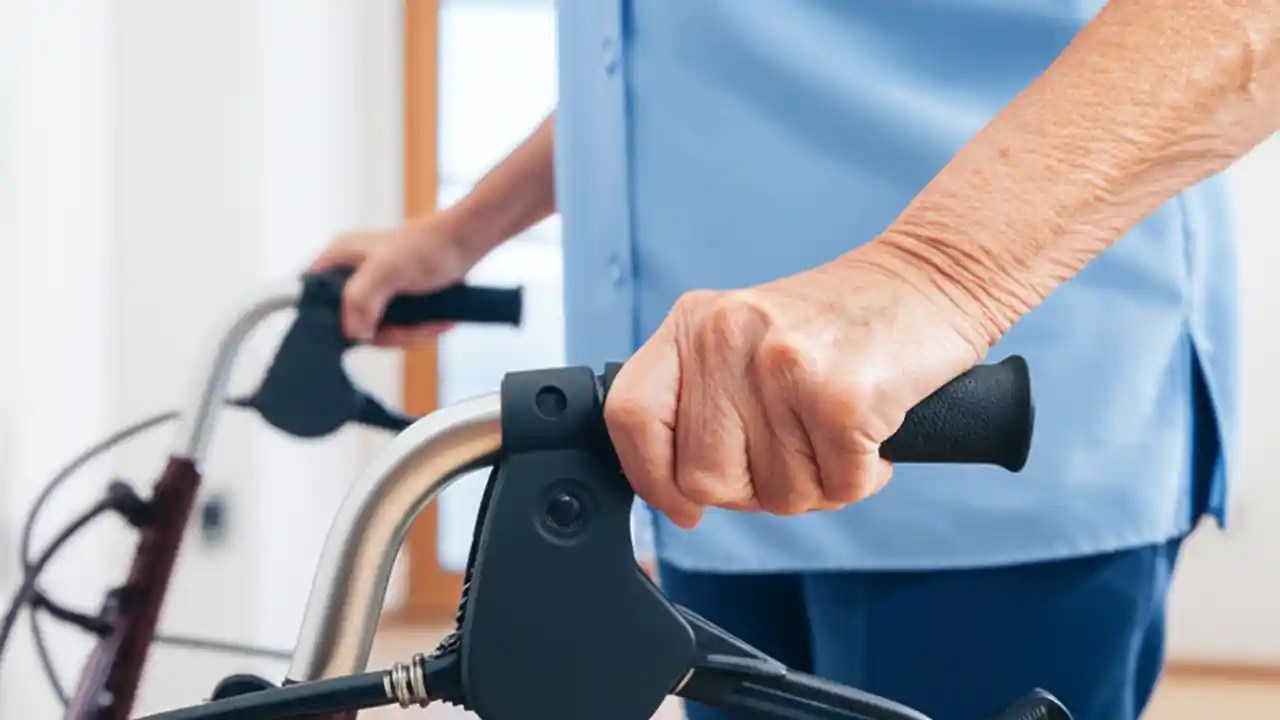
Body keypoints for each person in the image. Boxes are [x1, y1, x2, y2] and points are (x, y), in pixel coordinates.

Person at [312, 2, 1278, 718]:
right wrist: (459, 233)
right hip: (717, 444)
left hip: (973, 425)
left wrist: (934, 275)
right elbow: (659, 52)